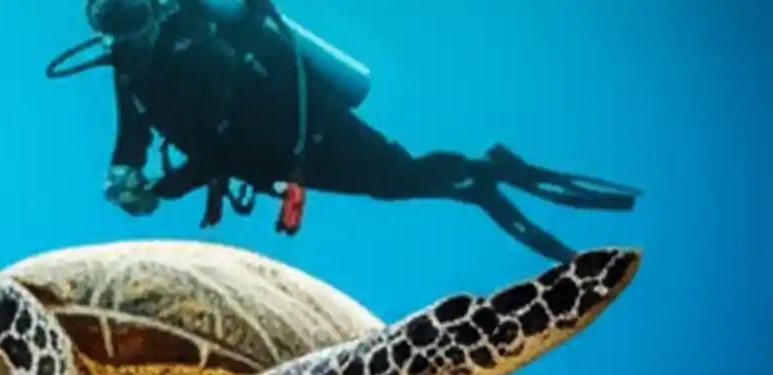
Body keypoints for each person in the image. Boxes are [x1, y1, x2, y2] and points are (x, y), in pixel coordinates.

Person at [46, 0, 642, 262]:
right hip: (272, 159)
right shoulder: (130, 65)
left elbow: (221, 146)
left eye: (131, 16)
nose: (123, 33)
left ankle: (487, 172)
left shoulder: (197, 50)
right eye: (108, 20)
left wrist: (162, 191)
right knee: (398, 181)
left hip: (307, 134)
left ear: (157, 9)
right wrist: (123, 173)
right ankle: (480, 175)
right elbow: (133, 132)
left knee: (396, 178)